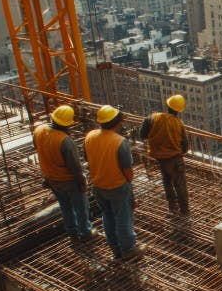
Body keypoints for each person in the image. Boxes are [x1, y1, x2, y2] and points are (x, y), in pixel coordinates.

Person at [85, 105, 146, 260]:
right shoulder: (119, 142)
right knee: (123, 217)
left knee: (108, 215)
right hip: (117, 185)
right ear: (117, 122)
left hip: (98, 184)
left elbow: (88, 159)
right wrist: (129, 184)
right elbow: (127, 170)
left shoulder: (90, 136)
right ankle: (128, 248)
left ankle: (115, 247)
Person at [33, 105, 92, 240]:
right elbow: (75, 167)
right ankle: (85, 233)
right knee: (81, 208)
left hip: (50, 178)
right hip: (68, 180)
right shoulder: (65, 141)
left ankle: (72, 231)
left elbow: (37, 147)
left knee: (65, 206)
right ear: (68, 123)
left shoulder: (39, 130)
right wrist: (82, 181)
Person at [139, 94, 189, 216]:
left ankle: (172, 208)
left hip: (160, 158)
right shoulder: (178, 123)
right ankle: (184, 211)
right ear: (179, 111)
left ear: (167, 105)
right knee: (180, 185)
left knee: (167, 182)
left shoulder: (153, 118)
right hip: (175, 159)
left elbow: (143, 135)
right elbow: (185, 146)